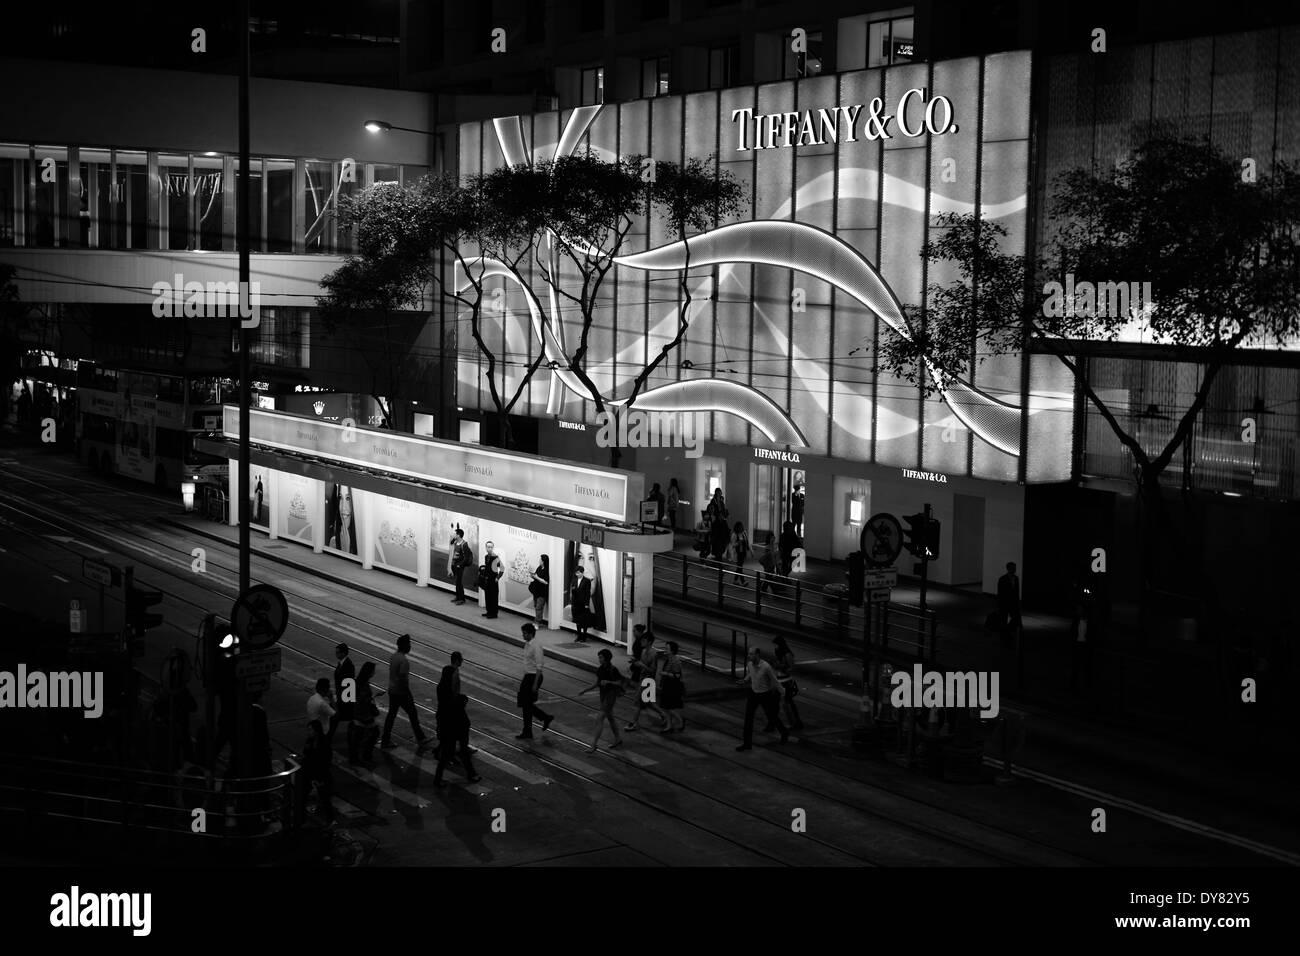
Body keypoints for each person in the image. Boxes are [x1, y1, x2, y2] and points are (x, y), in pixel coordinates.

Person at [433, 664, 481, 785]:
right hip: (452, 726)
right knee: (450, 753)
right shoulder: (447, 691)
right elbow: (452, 707)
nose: (456, 678)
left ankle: (471, 774)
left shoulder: (445, 688)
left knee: (456, 752)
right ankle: (438, 779)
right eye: (455, 676)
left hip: (455, 726)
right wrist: (461, 700)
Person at [381, 634, 430, 752]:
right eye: (408, 644)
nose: (410, 646)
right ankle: (420, 738)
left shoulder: (394, 656)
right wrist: (408, 693)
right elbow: (403, 679)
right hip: (400, 692)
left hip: (392, 690)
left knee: (391, 715)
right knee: (412, 713)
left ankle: (385, 740)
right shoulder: (404, 660)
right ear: (403, 645)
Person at [736, 647, 788, 751]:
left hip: (765, 695)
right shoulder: (750, 664)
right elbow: (750, 673)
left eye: (751, 654)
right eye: (748, 653)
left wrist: (783, 693)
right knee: (748, 719)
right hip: (753, 694)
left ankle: (784, 733)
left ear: (757, 655)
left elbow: (775, 680)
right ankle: (747, 744)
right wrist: (745, 680)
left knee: (772, 716)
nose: (748, 656)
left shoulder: (766, 667)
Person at [580, 648, 627, 753]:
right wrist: (585, 690)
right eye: (599, 657)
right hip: (603, 695)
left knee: (599, 719)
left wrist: (609, 682)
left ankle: (593, 745)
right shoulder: (600, 669)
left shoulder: (613, 669)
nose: (599, 659)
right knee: (610, 718)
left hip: (610, 696)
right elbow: (597, 683)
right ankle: (618, 738)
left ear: (606, 658)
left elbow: (620, 682)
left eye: (601, 657)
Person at [625, 630, 669, 732]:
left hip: (648, 680)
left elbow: (653, 670)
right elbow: (642, 665)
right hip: (643, 679)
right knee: (649, 703)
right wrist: (635, 663)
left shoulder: (653, 654)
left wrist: (641, 665)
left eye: (644, 640)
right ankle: (664, 715)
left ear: (649, 642)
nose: (641, 642)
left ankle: (633, 723)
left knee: (638, 703)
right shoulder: (643, 651)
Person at [516, 623, 553, 739]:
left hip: (534, 677)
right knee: (525, 704)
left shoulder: (536, 646)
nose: (523, 635)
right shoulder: (527, 644)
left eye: (525, 633)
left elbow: (539, 667)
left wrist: (535, 684)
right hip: (528, 676)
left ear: (531, 633)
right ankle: (543, 719)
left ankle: (529, 730)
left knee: (526, 704)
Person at [297, 720, 335, 827]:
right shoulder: (309, 741)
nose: (308, 732)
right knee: (302, 796)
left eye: (310, 730)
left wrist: (320, 778)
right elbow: (306, 753)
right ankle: (300, 819)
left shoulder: (324, 743)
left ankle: (330, 820)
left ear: (316, 731)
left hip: (320, 774)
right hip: (309, 772)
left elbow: (326, 760)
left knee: (325, 798)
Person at [349, 661, 382, 765]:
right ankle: (364, 757)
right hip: (364, 715)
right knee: (372, 733)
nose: (374, 673)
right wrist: (374, 696)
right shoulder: (363, 684)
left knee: (359, 737)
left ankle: (357, 758)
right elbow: (364, 700)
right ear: (370, 672)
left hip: (358, 714)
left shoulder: (358, 682)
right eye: (373, 671)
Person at [772, 635, 803, 731]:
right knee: (778, 702)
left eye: (776, 645)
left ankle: (795, 723)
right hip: (780, 680)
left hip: (786, 681)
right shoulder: (779, 653)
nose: (775, 647)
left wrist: (780, 667)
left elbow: (791, 669)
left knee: (787, 702)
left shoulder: (787, 654)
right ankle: (793, 722)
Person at [658, 640, 686, 733]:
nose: (665, 649)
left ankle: (679, 720)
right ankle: (669, 725)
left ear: (672, 650)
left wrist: (665, 673)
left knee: (668, 707)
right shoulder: (669, 659)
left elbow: (677, 676)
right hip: (667, 684)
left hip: (672, 686)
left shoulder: (675, 661)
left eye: (667, 648)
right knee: (665, 706)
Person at [332, 643, 355, 749]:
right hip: (341, 696)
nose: (336, 654)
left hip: (344, 697)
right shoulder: (342, 663)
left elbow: (349, 684)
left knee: (338, 717)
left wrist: (346, 699)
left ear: (343, 653)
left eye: (338, 652)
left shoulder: (348, 665)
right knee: (339, 717)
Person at [997, 562, 1022, 648]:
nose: (1014, 569)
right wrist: (1000, 604)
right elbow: (1000, 593)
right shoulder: (1002, 579)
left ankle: (1008, 631)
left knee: (1015, 617)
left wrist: (1018, 602)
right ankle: (1004, 634)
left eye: (1015, 568)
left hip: (1013, 603)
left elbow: (1016, 592)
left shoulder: (1016, 578)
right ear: (1008, 569)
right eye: (1013, 568)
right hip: (1005, 603)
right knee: (1004, 619)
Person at [480, 541, 504, 618]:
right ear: (486, 548)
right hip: (487, 579)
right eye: (488, 547)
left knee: (493, 596)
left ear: (493, 548)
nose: (489, 548)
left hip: (493, 580)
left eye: (491, 547)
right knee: (487, 596)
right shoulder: (486, 557)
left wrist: (498, 577)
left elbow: (502, 568)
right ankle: (488, 611)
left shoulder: (495, 557)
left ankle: (494, 613)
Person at [449, 528, 473, 604]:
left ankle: (462, 599)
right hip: (455, 564)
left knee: (459, 582)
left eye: (455, 534)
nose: (454, 535)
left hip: (460, 566)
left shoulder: (464, 544)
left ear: (458, 535)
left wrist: (460, 565)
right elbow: (451, 543)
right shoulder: (456, 542)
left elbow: (466, 558)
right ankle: (458, 597)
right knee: (457, 582)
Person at [708, 490, 730, 560]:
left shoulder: (721, 501)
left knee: (724, 533)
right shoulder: (713, 501)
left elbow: (723, 509)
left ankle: (721, 550)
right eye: (718, 492)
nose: (720, 494)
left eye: (720, 493)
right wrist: (717, 515)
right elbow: (711, 510)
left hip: (721, 521)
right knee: (717, 536)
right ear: (716, 493)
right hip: (716, 522)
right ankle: (716, 552)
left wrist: (724, 515)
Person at [571, 568, 592, 642]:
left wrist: (587, 604)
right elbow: (573, 591)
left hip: (583, 603)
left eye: (579, 573)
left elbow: (588, 593)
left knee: (584, 620)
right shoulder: (574, 580)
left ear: (582, 573)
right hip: (575, 603)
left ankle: (584, 636)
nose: (578, 574)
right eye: (576, 573)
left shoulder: (587, 581)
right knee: (577, 620)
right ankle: (579, 635)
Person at [530, 554, 550, 626]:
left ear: (543, 561)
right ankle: (537, 621)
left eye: (540, 560)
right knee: (536, 606)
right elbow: (536, 576)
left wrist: (537, 577)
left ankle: (537, 622)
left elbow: (546, 582)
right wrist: (532, 576)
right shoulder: (539, 568)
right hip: (536, 590)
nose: (539, 561)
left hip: (542, 592)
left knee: (539, 607)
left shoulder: (546, 570)